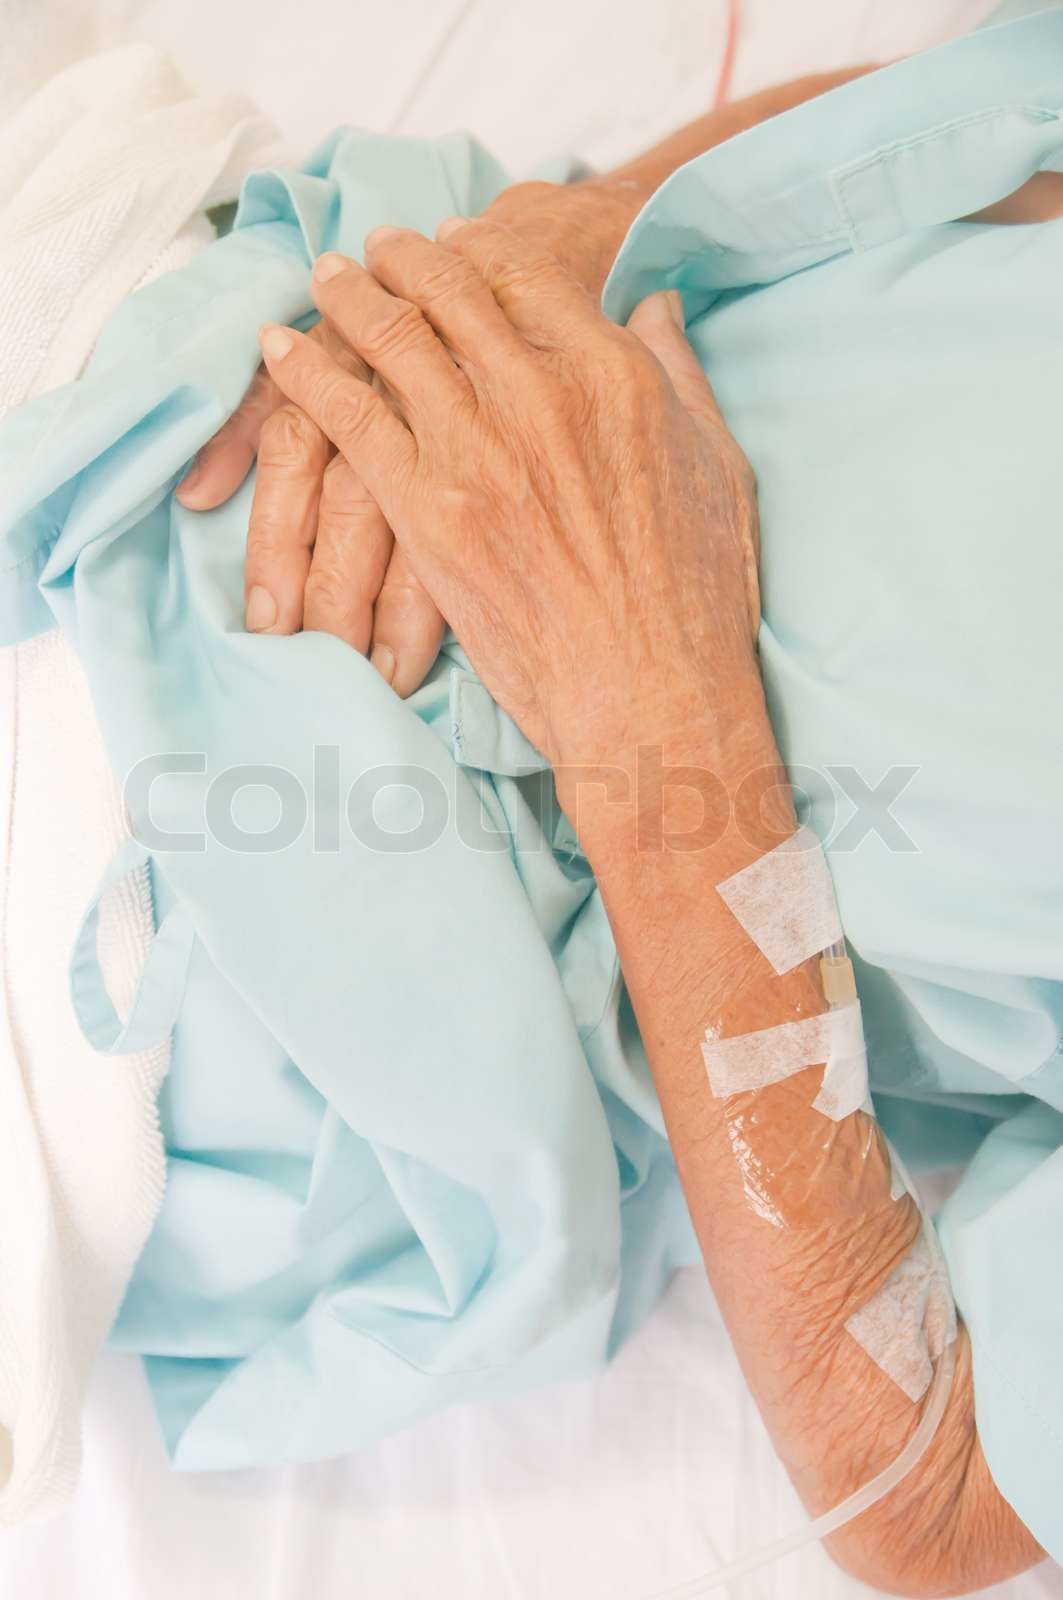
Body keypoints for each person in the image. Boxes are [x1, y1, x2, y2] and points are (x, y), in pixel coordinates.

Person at [166, 45, 1063, 1594]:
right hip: (284, 348)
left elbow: (939, 1496)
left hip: (300, 955)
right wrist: (549, 264)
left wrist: (651, 716)